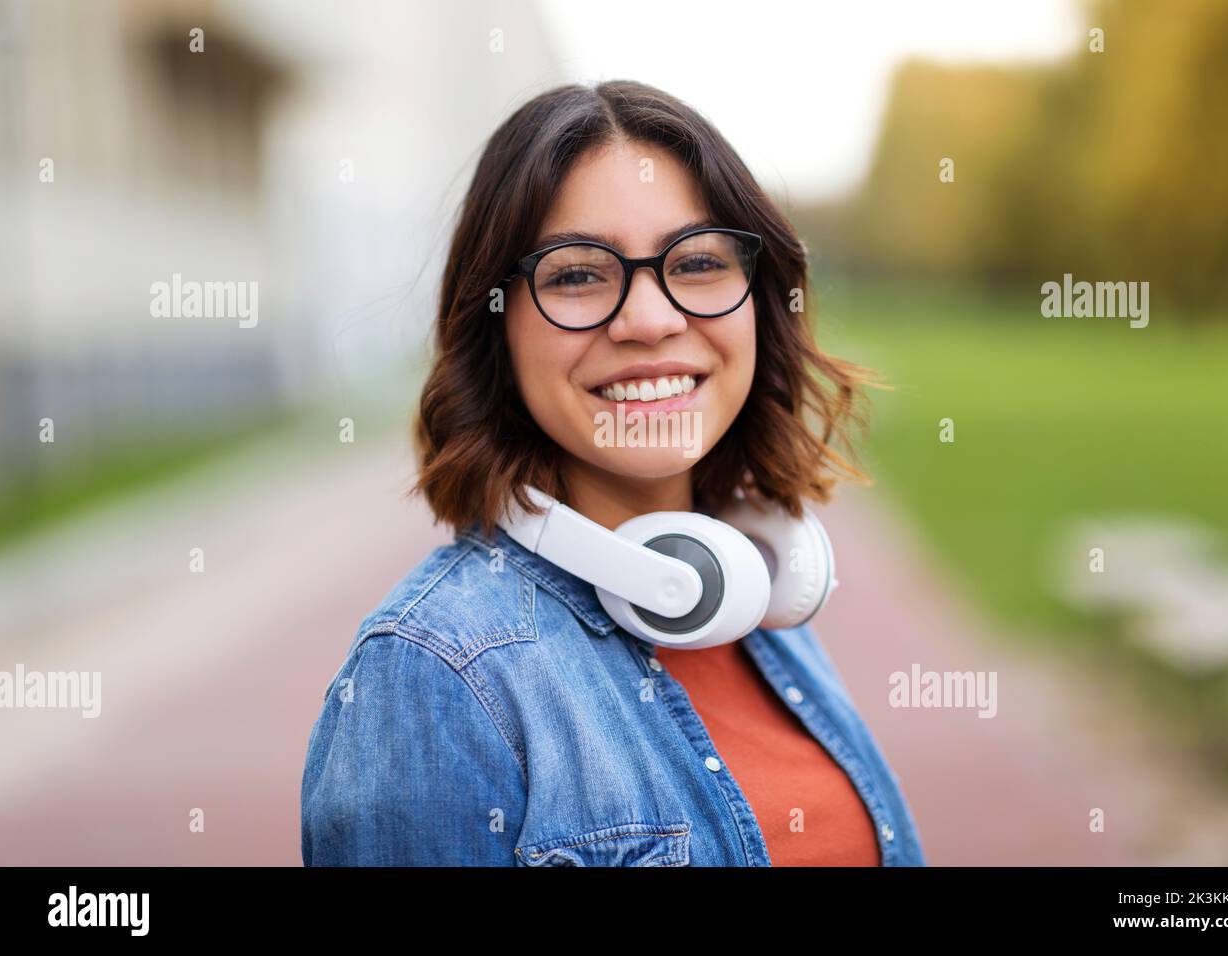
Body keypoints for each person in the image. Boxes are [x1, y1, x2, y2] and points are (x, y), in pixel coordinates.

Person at [300, 79, 924, 867]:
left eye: (696, 261)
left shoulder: (761, 602)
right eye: (577, 275)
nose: (651, 320)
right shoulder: (431, 676)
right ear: (496, 328)